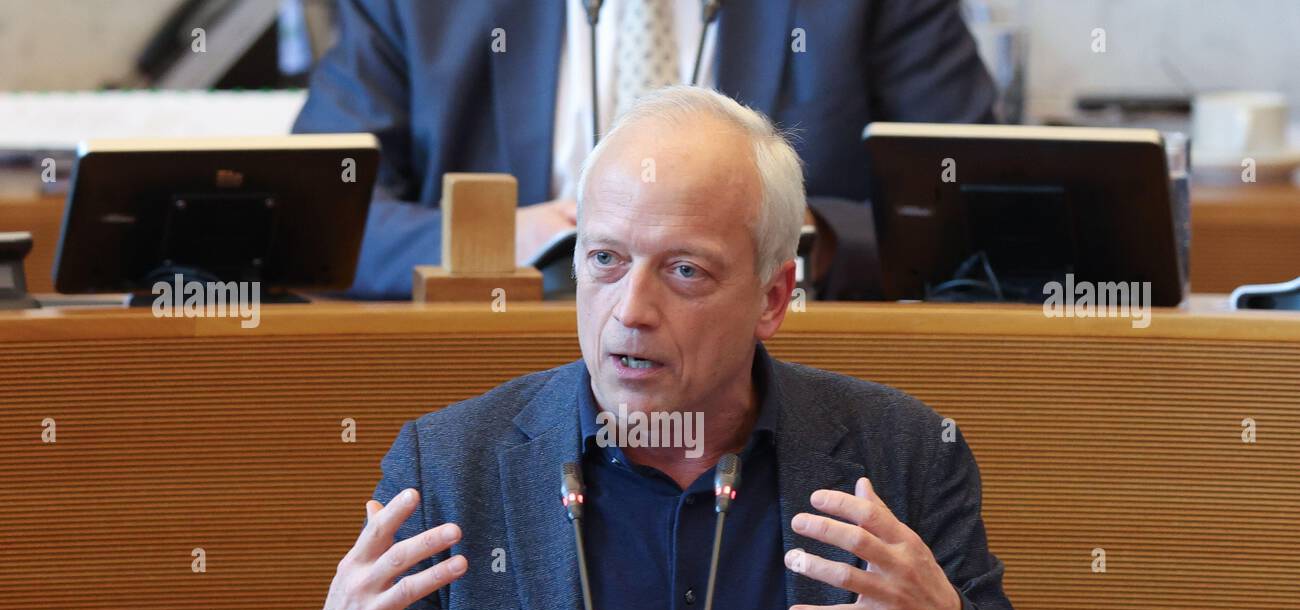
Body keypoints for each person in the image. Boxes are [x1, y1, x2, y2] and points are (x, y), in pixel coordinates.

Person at [242, 86, 1093, 610]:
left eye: (684, 271)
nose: (631, 311)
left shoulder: (898, 458)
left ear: (772, 296)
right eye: (604, 260)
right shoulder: (455, 466)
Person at [293, 0, 997, 299]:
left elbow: (976, 212)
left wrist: (803, 237)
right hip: (493, 381)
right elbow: (315, 213)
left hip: (781, 384)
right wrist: (499, 238)